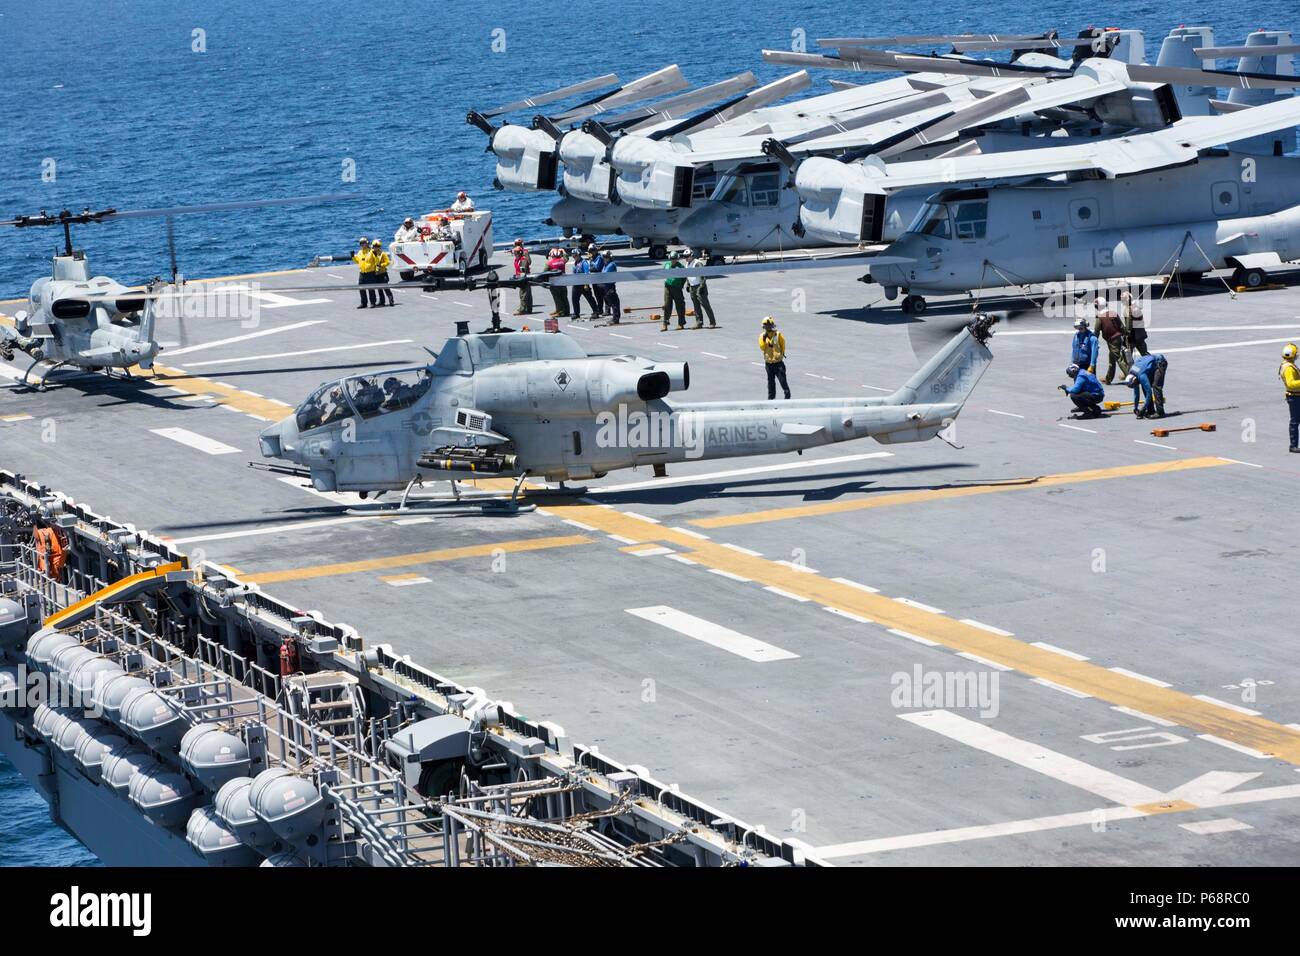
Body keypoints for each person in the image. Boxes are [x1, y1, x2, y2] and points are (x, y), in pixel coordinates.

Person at [1092, 295, 1129, 384]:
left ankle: (1130, 377)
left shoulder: (1100, 318)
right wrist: (1125, 335)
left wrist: (1093, 341)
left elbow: (1096, 332)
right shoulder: (1113, 313)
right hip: (1118, 338)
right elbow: (1121, 326)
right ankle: (1108, 378)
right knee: (1111, 358)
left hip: (1111, 340)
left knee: (1119, 359)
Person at [1125, 352, 1168, 418]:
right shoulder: (1133, 373)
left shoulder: (1141, 375)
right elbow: (1136, 394)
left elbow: (1149, 392)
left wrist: (1143, 408)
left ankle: (1160, 412)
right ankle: (1151, 410)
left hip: (1160, 363)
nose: (1136, 386)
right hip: (1151, 366)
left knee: (1155, 386)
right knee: (1144, 387)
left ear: (1134, 379)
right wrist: (1135, 408)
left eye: (1134, 384)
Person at [760, 316, 791, 399]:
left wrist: (781, 354)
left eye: (770, 325)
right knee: (771, 383)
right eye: (766, 325)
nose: (768, 327)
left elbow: (782, 345)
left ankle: (787, 397)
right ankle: (771, 399)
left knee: (783, 382)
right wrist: (764, 338)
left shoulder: (778, 334)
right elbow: (762, 347)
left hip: (778, 364)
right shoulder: (762, 336)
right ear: (764, 327)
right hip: (769, 364)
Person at [686, 248, 717, 329]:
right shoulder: (687, 264)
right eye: (685, 256)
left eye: (687, 256)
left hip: (699, 286)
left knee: (705, 305)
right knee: (696, 306)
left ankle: (712, 322)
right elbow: (687, 275)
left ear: (692, 256)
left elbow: (703, 277)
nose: (686, 258)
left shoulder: (697, 264)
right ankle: (699, 322)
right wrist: (688, 284)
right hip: (692, 287)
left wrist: (701, 287)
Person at [1280, 342, 1300, 453]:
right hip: (1295, 397)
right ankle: (1293, 445)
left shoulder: (1288, 364)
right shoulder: (1289, 368)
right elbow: (1291, 384)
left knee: (1296, 421)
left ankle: (1294, 445)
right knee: (1295, 421)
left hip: (1296, 396)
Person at [661, 251, 688, 330]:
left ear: (677, 259)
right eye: (672, 259)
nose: (673, 260)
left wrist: (681, 285)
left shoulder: (680, 267)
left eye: (675, 259)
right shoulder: (666, 265)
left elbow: (684, 278)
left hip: (677, 288)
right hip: (667, 287)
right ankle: (665, 323)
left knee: (680, 305)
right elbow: (663, 273)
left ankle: (681, 323)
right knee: (667, 305)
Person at [569, 249, 598, 318]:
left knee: (589, 298)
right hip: (576, 284)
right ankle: (576, 313)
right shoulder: (576, 263)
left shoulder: (584, 263)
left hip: (583, 284)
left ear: (578, 255)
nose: (574, 257)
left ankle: (596, 312)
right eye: (573, 255)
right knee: (574, 299)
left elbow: (586, 274)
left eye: (575, 255)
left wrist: (586, 284)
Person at [1121, 290, 1148, 357]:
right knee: (1145, 355)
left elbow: (1128, 326)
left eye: (1123, 300)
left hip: (1133, 338)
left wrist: (1125, 335)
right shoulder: (1136, 307)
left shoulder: (1128, 310)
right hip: (1141, 335)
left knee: (1128, 358)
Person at [352, 237, 377, 308]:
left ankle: (373, 302)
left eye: (364, 243)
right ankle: (364, 303)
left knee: (371, 289)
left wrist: (377, 268)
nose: (362, 244)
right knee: (361, 288)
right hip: (362, 273)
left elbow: (376, 260)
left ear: (367, 243)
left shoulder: (371, 251)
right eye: (361, 243)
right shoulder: (360, 252)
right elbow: (357, 261)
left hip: (370, 272)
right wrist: (353, 257)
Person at [546, 248, 570, 317]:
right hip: (563, 282)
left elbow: (544, 272)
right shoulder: (562, 261)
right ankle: (566, 311)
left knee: (557, 297)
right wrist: (563, 250)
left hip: (554, 283)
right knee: (564, 297)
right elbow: (567, 257)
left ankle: (560, 311)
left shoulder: (549, 263)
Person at [512, 240, 534, 315]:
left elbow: (522, 272)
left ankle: (523, 309)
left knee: (523, 294)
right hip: (522, 278)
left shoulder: (523, 260)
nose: (515, 254)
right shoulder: (517, 259)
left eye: (516, 253)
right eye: (514, 253)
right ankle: (528, 309)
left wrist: (516, 277)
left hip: (524, 279)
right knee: (526, 294)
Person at [371, 239, 395, 306]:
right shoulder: (371, 254)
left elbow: (387, 262)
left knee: (386, 288)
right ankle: (382, 302)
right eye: (374, 246)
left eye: (377, 246)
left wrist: (381, 265)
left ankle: (391, 300)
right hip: (376, 273)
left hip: (382, 273)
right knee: (379, 289)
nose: (376, 247)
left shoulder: (383, 254)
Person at [601, 251, 621, 323]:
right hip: (606, 286)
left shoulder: (611, 264)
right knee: (611, 302)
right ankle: (614, 318)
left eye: (606, 257)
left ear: (609, 257)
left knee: (614, 302)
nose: (604, 259)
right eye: (603, 257)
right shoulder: (605, 265)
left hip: (610, 286)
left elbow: (605, 274)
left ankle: (616, 319)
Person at [588, 248, 607, 317]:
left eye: (592, 251)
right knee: (597, 295)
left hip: (600, 278)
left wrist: (591, 265)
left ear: (595, 251)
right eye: (590, 251)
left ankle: (607, 310)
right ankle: (600, 309)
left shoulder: (599, 258)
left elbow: (596, 268)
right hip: (594, 279)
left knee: (603, 295)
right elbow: (590, 267)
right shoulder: (592, 258)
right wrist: (590, 261)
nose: (591, 253)